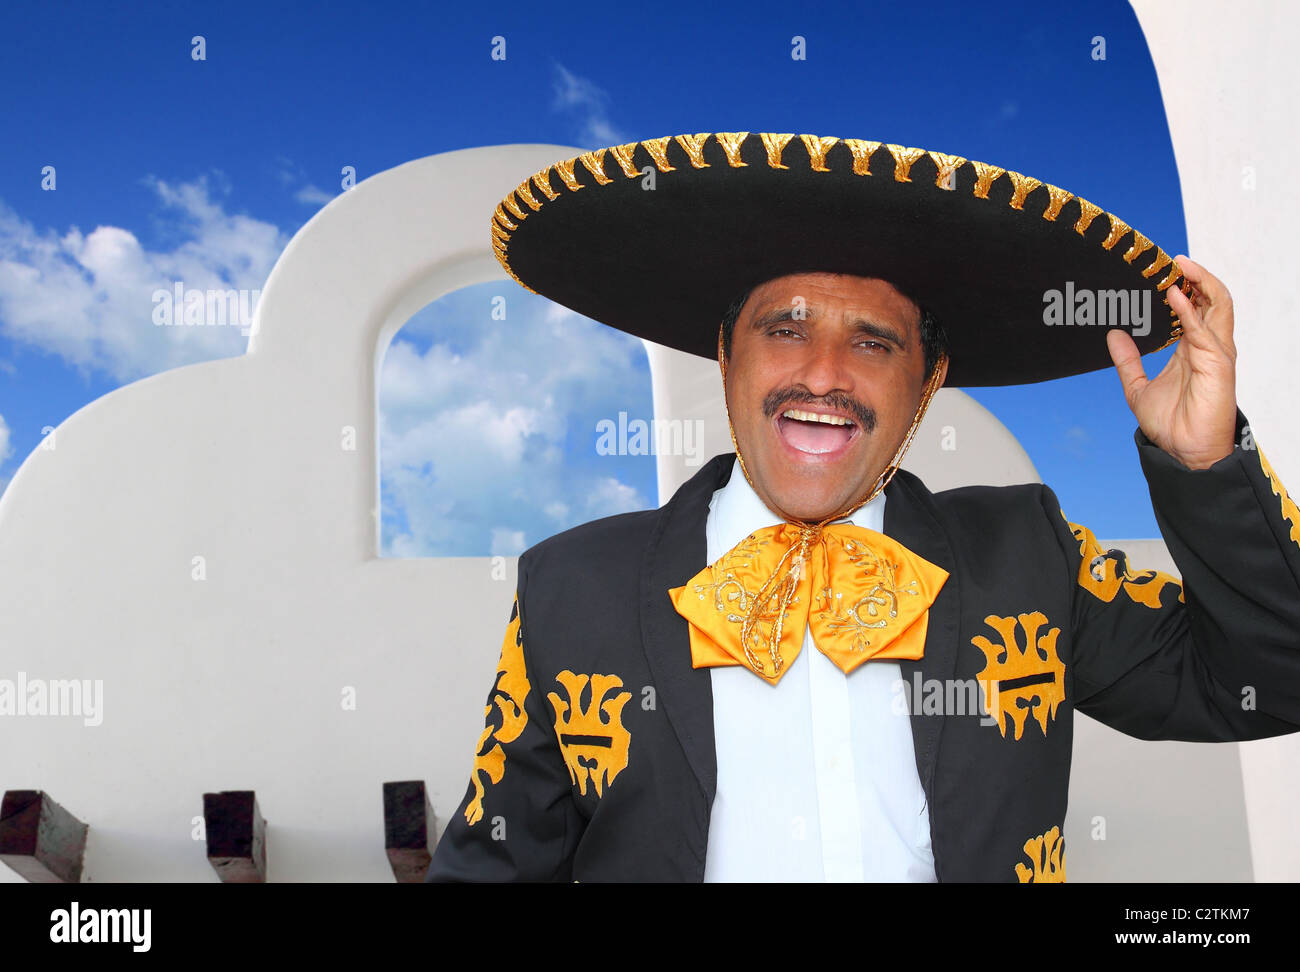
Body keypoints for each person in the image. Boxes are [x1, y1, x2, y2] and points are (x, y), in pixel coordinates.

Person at [427, 131, 1300, 881]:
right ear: (726, 356)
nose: (823, 376)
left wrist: (1205, 463)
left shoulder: (1031, 556)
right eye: (786, 330)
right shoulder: (571, 586)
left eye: (874, 344)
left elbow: (1273, 685)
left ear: (927, 383)